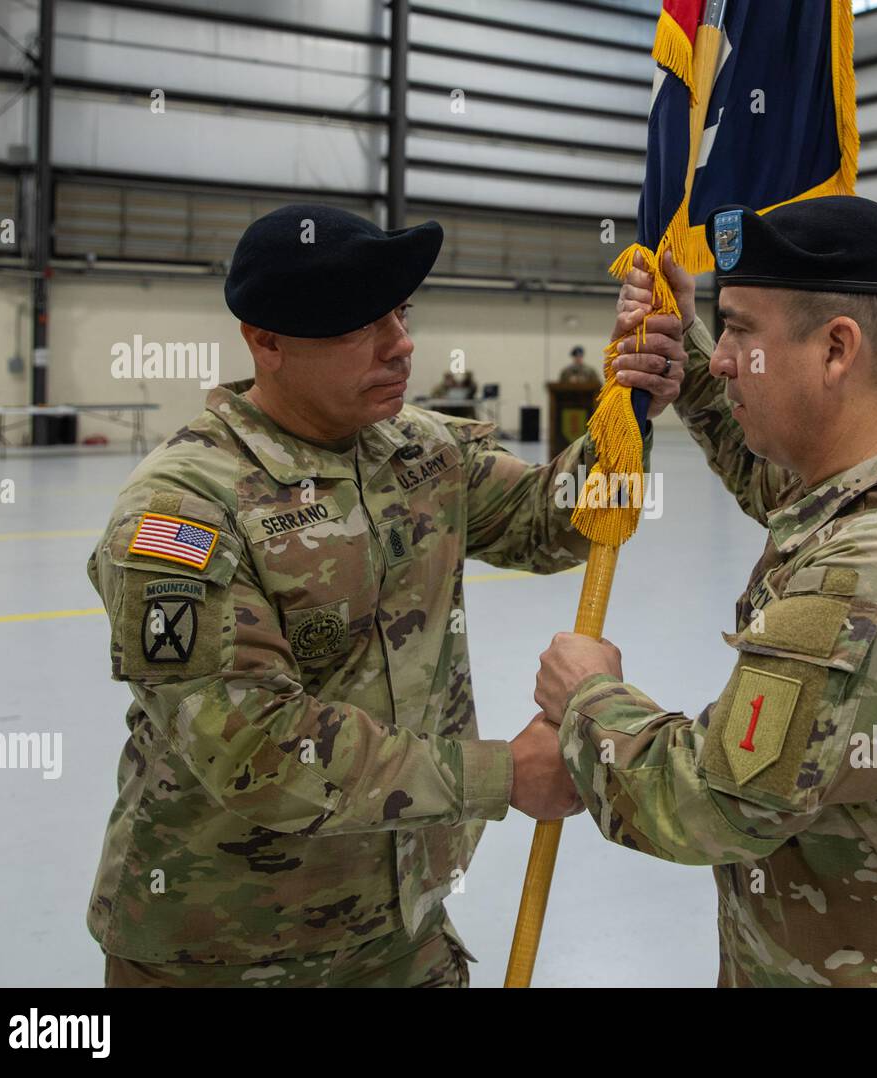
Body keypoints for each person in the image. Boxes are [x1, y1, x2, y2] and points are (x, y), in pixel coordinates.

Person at [84, 203, 684, 988]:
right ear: (265, 341)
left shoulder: (421, 451)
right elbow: (254, 750)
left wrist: (630, 403)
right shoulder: (182, 511)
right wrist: (504, 776)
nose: (400, 345)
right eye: (356, 326)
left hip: (402, 928)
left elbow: (556, 520)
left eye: (400, 314)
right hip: (226, 949)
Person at [533, 197, 877, 987]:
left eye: (743, 332)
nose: (724, 357)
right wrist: (684, 351)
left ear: (835, 350)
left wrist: (588, 699)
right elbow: (776, 477)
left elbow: (714, 802)